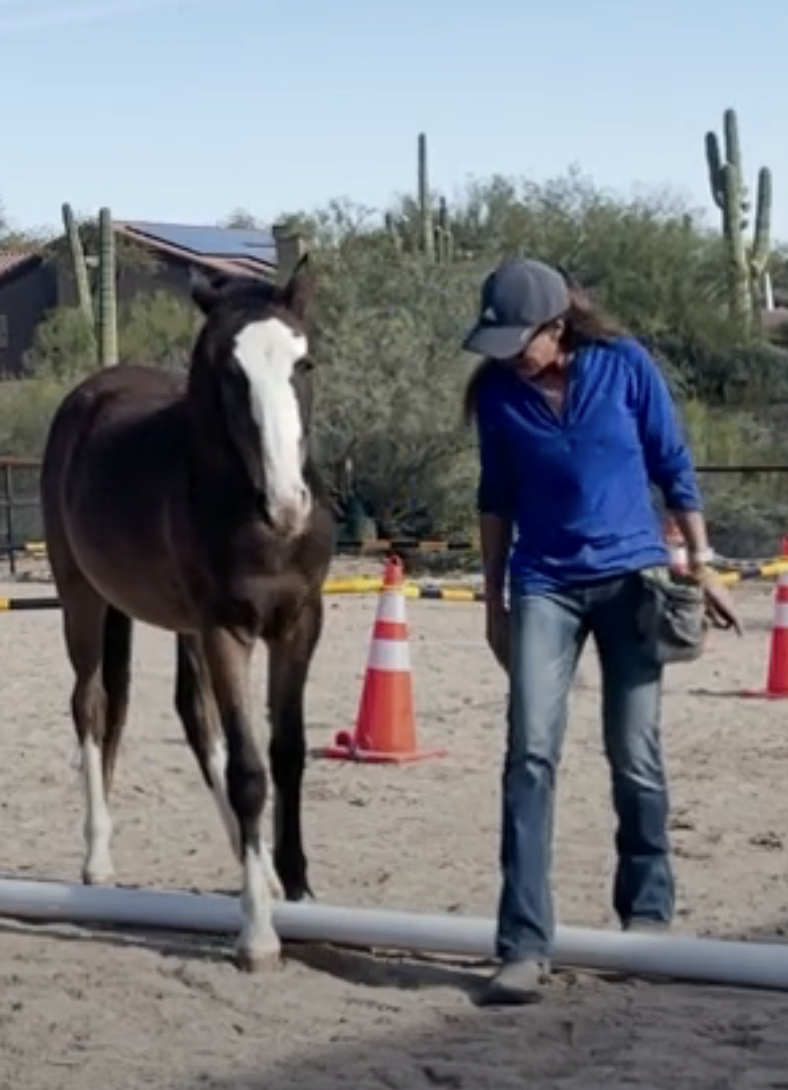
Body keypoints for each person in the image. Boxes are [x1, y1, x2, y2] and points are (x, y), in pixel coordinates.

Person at [461, 257, 741, 1006]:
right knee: (529, 755)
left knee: (634, 753)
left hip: (633, 581)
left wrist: (703, 567)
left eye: (521, 341)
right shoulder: (496, 395)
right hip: (544, 585)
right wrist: (494, 606)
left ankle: (646, 916)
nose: (511, 357)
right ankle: (523, 944)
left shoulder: (624, 366)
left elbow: (673, 465)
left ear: (557, 328)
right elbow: (495, 500)